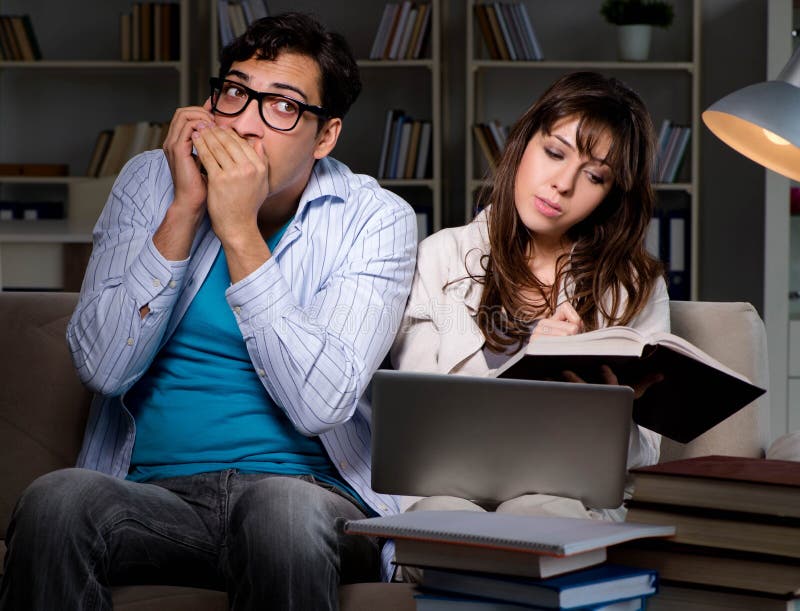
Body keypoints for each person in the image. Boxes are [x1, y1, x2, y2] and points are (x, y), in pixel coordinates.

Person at [0, 13, 416, 611]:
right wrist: (185, 208)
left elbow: (320, 404)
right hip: (156, 500)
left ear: (324, 138)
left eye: (282, 107)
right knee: (56, 502)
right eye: (236, 93)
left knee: (282, 513)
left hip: (307, 497)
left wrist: (239, 229)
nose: (245, 123)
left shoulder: (376, 219)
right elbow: (102, 369)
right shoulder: (151, 181)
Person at [391, 71, 668, 524]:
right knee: (440, 520)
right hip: (449, 491)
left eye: (594, 176)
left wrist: (602, 410)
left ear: (611, 195)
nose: (562, 184)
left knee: (543, 515)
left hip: (569, 494)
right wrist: (527, 362)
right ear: (523, 144)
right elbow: (421, 431)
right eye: (554, 153)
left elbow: (642, 461)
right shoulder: (440, 256)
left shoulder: (634, 284)